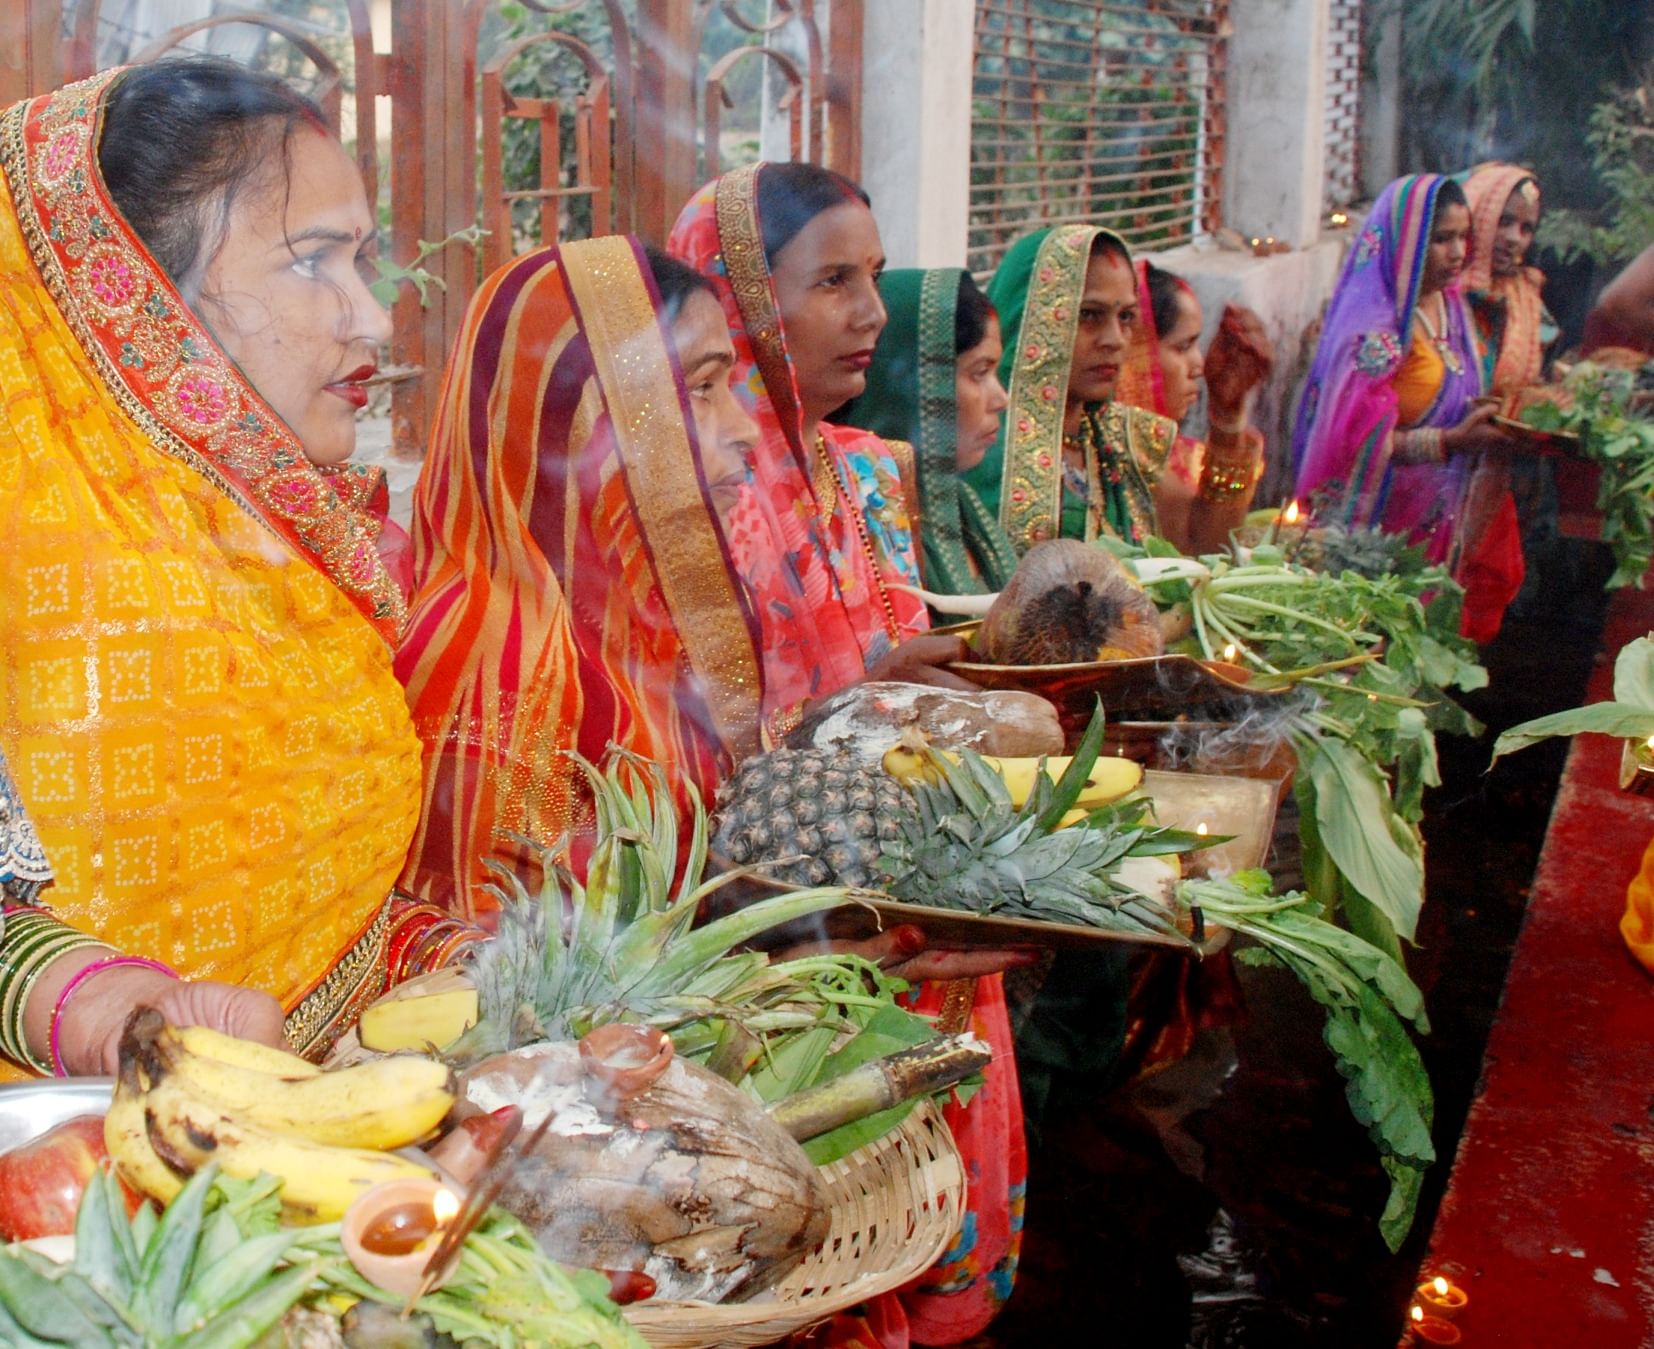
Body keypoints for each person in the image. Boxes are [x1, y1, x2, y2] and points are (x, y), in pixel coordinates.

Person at [0, 61, 475, 1078]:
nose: (374, 317)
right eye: (313, 261)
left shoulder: (277, 567)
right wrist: (102, 1007)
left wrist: (441, 958)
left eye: (362, 259)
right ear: (131, 297)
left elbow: (308, 906)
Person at [670, 163, 1026, 1346]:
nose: (871, 312)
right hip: (799, 954)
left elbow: (862, 666)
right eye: (833, 281)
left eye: (873, 276)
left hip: (912, 884)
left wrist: (942, 671)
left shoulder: (853, 467)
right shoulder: (694, 503)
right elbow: (705, 773)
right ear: (742, 302)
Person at [395, 237, 769, 917]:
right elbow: (497, 976)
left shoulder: (648, 610)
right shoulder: (501, 666)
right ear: (584, 415)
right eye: (701, 389)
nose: (746, 428)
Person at [961, 224, 1259, 556]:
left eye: (1126, 317)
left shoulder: (1115, 438)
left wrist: (1228, 419)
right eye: (1089, 315)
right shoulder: (980, 452)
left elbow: (1200, 546)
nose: (1115, 340)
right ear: (1031, 316)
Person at [1292, 175, 1517, 586]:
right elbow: (1348, 445)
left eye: (1463, 237)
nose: (1457, 253)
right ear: (1407, 241)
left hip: (1436, 519)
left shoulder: (1452, 307)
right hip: (1378, 532)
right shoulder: (1372, 332)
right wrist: (1446, 443)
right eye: (1442, 239)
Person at [838, 268, 1021, 594]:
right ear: (918, 388)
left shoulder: (962, 511)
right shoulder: (864, 529)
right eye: (979, 373)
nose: (1001, 399)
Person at [1458, 163, 1557, 640]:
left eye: (1526, 227)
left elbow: (1535, 376)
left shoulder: (1524, 296)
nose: (1514, 238)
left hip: (1507, 472)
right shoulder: (1445, 300)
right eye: (1503, 220)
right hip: (1445, 474)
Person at [1116, 260, 1274, 554]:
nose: (1199, 366)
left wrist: (1229, 415)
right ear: (1135, 358)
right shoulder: (1118, 452)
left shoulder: (1175, 453)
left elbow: (1210, 546)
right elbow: (1201, 547)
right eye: (1182, 347)